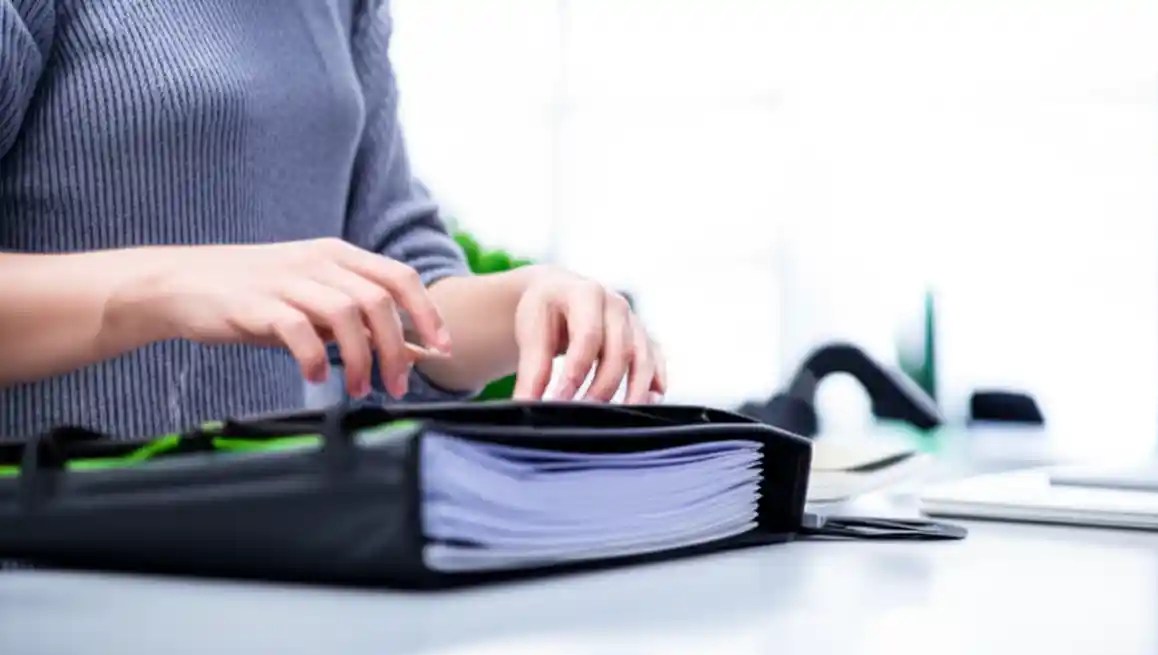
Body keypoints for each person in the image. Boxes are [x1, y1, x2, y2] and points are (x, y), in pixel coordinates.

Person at [0, 0, 665, 440]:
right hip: (50, 577)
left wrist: (530, 301)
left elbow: (401, 285)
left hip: (264, 550)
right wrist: (160, 288)